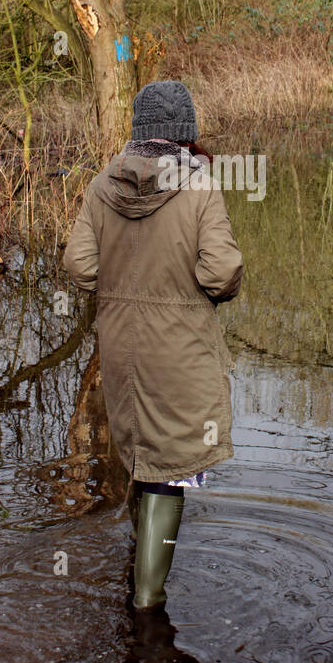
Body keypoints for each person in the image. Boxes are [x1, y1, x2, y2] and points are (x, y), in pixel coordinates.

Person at [62, 80, 244, 610]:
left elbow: (79, 266)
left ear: (139, 132)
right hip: (180, 351)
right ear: (184, 134)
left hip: (121, 351)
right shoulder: (199, 185)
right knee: (173, 469)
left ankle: (137, 585)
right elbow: (222, 272)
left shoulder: (102, 185)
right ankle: (147, 601)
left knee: (142, 456)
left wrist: (119, 290)